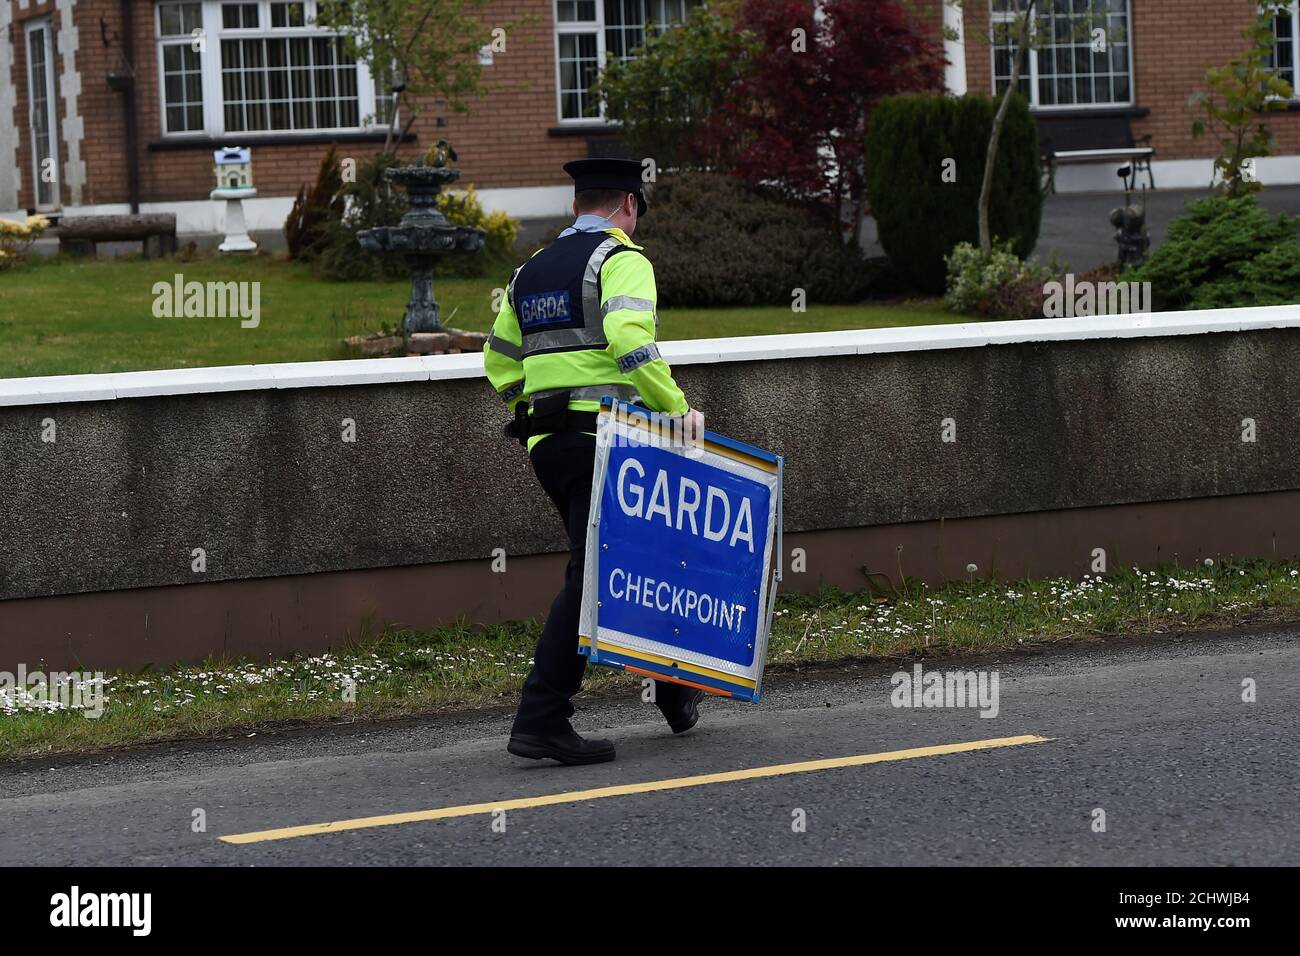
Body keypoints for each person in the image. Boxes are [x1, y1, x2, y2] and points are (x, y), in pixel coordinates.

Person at [484, 158, 705, 765]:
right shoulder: (620, 259)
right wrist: (677, 407)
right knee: (593, 576)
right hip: (608, 440)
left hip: (549, 446)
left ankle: (674, 690)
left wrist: (532, 407)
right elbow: (630, 339)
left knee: (639, 557)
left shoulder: (530, 269)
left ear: (577, 203)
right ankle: (542, 718)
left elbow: (498, 361)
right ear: (629, 205)